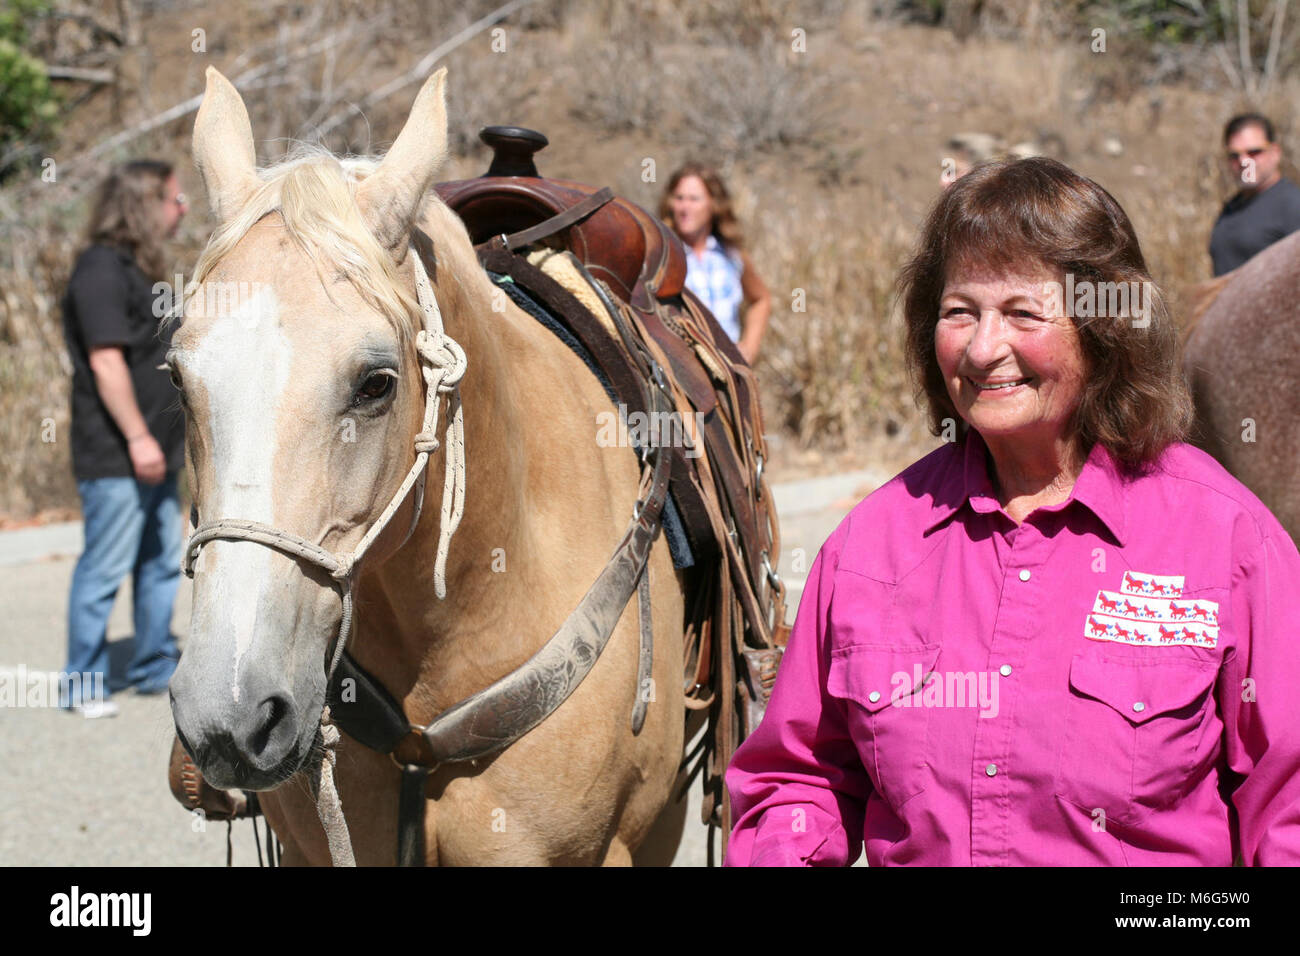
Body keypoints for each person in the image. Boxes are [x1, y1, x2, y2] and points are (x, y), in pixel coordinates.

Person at [725, 157, 1300, 865]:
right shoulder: (868, 546)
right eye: (959, 311)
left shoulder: (1226, 538)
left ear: (1104, 329)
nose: (982, 347)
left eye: (1023, 313)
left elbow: (1290, 806)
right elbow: (798, 776)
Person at [60, 159, 187, 717]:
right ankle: (81, 682)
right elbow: (106, 363)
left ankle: (152, 666)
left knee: (161, 562)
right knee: (105, 566)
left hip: (161, 452)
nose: (181, 209)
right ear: (143, 203)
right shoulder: (100, 271)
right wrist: (138, 439)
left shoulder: (142, 270)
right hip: (118, 455)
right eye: (174, 199)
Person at [660, 163, 771, 364]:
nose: (685, 207)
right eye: (679, 198)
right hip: (682, 370)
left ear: (713, 204)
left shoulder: (731, 254)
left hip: (728, 368)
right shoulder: (662, 254)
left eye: (694, 199)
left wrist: (749, 347)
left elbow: (760, 299)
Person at [1209, 113, 1300, 276]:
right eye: (1234, 155)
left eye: (1254, 152)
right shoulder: (1232, 206)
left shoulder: (1293, 205)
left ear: (1275, 152)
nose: (1244, 162)